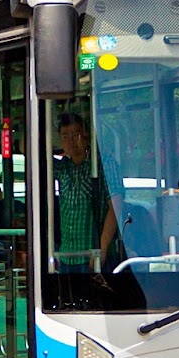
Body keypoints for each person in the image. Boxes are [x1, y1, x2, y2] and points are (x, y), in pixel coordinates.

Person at [53, 111, 117, 271]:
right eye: (65, 136)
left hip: (91, 256)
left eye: (76, 134)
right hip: (65, 257)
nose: (71, 141)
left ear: (86, 135)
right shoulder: (63, 167)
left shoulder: (104, 163)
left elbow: (116, 206)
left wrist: (101, 249)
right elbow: (26, 147)